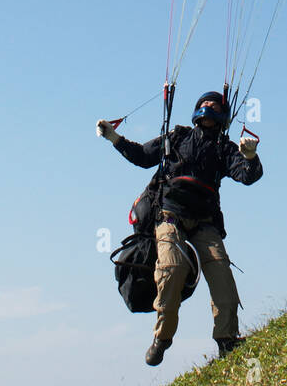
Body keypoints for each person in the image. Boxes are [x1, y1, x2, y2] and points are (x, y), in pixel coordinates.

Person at [97, 92, 263, 366]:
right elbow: (142, 156)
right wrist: (114, 138)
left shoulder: (225, 148)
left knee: (221, 273)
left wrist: (251, 156)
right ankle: (162, 337)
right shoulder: (177, 138)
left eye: (214, 104)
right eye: (203, 104)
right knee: (172, 269)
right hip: (170, 215)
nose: (208, 107)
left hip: (205, 222)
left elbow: (246, 175)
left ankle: (227, 339)